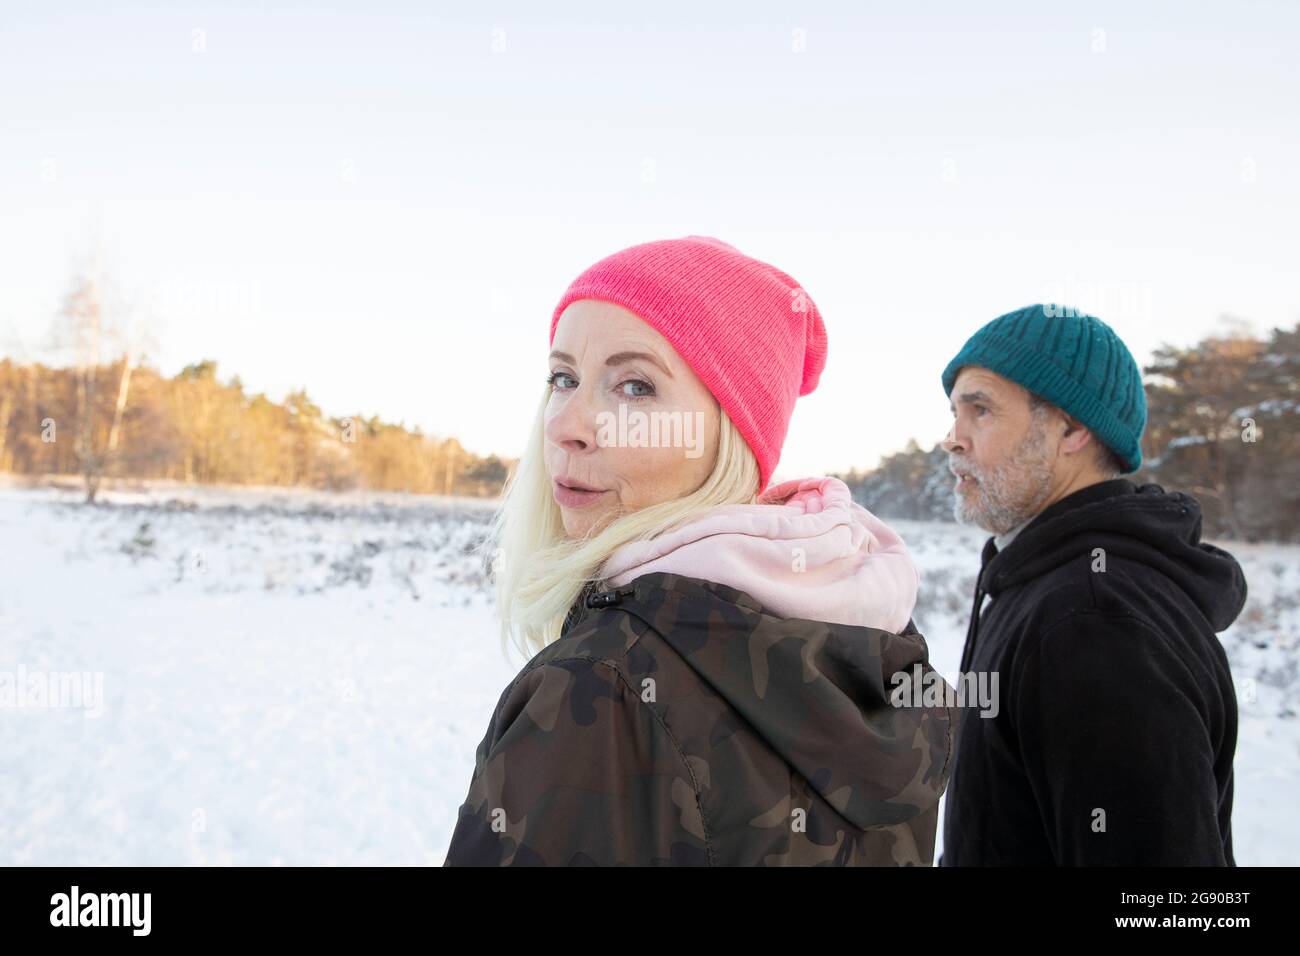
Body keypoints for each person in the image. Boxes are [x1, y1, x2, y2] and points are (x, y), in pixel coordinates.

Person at [443, 235, 957, 866]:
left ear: (730, 435)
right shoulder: (873, 646)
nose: (565, 424)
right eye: (563, 378)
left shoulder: (600, 688)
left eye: (635, 388)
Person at [937, 303, 1245, 866]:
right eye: (955, 412)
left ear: (1073, 428)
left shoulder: (1094, 620)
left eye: (980, 410)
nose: (951, 439)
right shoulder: (1041, 581)